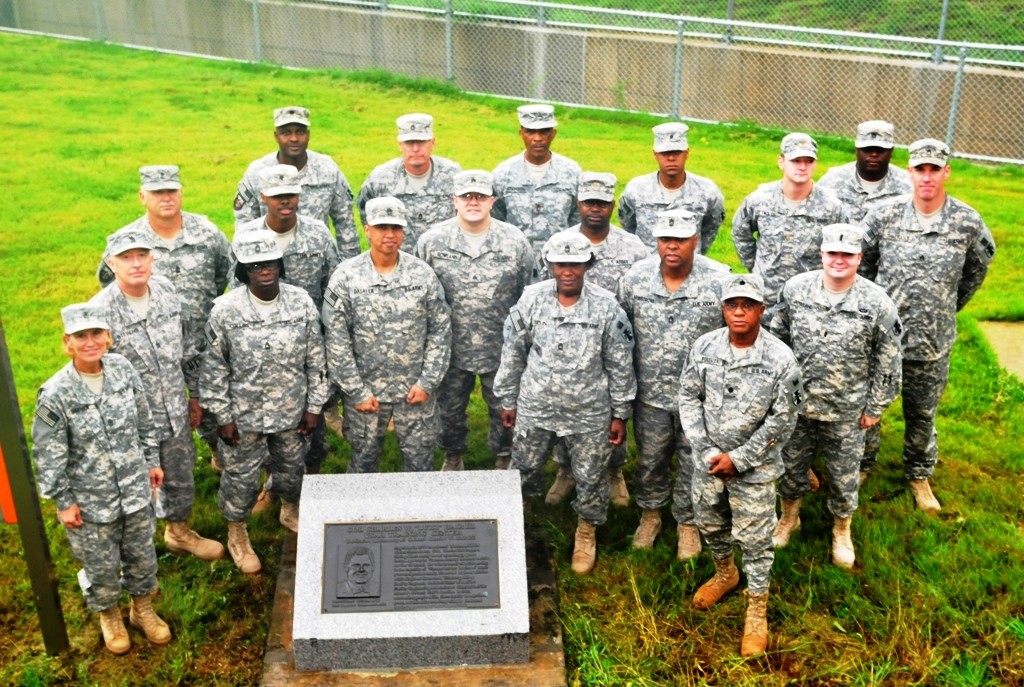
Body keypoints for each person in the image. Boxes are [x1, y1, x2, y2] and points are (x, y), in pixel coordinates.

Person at [859, 138, 995, 513]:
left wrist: (947, 308)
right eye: (920, 169)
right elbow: (862, 264)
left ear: (946, 172)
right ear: (909, 171)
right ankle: (863, 465)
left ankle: (919, 474)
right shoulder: (884, 216)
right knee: (871, 408)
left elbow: (976, 271)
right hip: (885, 339)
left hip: (932, 342)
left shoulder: (967, 222)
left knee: (922, 413)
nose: (927, 177)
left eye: (935, 169)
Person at [494, 232, 636, 575]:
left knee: (590, 477)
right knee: (523, 469)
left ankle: (586, 530)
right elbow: (512, 352)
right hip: (537, 405)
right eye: (561, 264)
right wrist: (507, 398)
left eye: (575, 264)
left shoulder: (606, 306)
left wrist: (620, 412)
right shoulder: (530, 300)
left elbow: (619, 362)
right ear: (550, 265)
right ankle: (520, 524)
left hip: (589, 411)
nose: (568, 271)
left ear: (587, 265)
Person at [32, 304, 171, 654]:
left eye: (97, 333)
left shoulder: (123, 370)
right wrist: (63, 501)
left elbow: (144, 418)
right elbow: (48, 454)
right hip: (91, 501)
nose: (90, 341)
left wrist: (152, 459)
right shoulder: (56, 394)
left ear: (107, 337)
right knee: (100, 564)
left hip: (135, 489)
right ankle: (109, 615)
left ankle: (142, 610)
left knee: (141, 555)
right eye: (81, 336)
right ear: (68, 343)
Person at [678, 274, 802, 657]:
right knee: (710, 522)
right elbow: (688, 395)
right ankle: (725, 574)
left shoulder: (781, 359)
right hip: (709, 461)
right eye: (732, 304)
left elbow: (784, 419)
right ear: (723, 308)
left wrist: (741, 459)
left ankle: (757, 607)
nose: (739, 312)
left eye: (748, 305)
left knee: (755, 540)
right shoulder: (704, 347)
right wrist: (706, 450)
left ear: (761, 310)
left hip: (755, 468)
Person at [770, 224, 903, 569]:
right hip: (797, 404)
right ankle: (789, 518)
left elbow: (888, 358)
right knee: (791, 467)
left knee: (845, 476)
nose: (839, 260)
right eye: (833, 253)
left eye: (847, 255)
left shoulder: (876, 301)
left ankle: (842, 529)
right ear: (822, 254)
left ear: (859, 257)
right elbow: (776, 340)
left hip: (848, 408)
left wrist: (875, 406)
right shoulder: (795, 290)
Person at [91, 227, 224, 562]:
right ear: (111, 263)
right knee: (133, 487)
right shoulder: (100, 312)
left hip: (174, 407)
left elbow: (189, 349)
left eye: (143, 255)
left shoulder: (167, 293)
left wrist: (194, 396)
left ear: (153, 258)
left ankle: (179, 532)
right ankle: (133, 551)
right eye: (126, 257)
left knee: (180, 474)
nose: (136, 264)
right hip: (131, 420)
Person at [201, 231, 329, 573]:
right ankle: (237, 532)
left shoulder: (300, 302)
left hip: (291, 412)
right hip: (244, 417)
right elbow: (214, 370)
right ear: (243, 271)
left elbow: (316, 359)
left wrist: (315, 406)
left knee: (291, 469)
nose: (265, 271)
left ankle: (290, 509)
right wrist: (223, 417)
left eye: (270, 263)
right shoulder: (225, 311)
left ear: (280, 265)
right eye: (255, 266)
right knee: (241, 479)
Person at [96, 165, 230, 467]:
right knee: (156, 410)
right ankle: (158, 464)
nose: (166, 197)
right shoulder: (126, 242)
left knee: (212, 403)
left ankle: (218, 452)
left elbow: (226, 274)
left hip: (204, 339)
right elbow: (112, 288)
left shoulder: (208, 234)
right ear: (143, 196)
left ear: (181, 192)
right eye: (158, 192)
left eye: (172, 190)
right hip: (149, 345)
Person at [617, 209, 728, 558]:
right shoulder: (635, 279)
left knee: (694, 460)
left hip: (700, 396)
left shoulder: (720, 280)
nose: (673, 246)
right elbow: (622, 334)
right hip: (650, 392)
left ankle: (687, 522)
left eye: (681, 239)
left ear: (696, 240)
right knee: (651, 459)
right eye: (666, 239)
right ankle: (650, 515)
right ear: (656, 241)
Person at [539, 172, 648, 507]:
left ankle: (615, 470)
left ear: (613, 205)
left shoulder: (632, 247)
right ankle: (565, 468)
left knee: (616, 406)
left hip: (615, 341)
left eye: (602, 203)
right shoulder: (559, 243)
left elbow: (641, 293)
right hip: (566, 343)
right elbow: (543, 291)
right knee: (564, 405)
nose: (595, 209)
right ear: (578, 204)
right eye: (589, 202)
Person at [323, 197, 452, 473]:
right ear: (367, 229)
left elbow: (440, 330)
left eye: (396, 227)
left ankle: (419, 515)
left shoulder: (423, 274)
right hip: (367, 393)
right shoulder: (345, 277)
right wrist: (356, 391)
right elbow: (336, 340)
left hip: (415, 392)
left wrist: (427, 382)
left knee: (420, 465)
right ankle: (359, 515)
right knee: (363, 464)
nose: (390, 235)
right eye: (382, 227)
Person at [415, 170, 533, 471]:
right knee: (449, 409)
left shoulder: (515, 241)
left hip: (501, 345)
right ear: (454, 200)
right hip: (451, 346)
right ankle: (453, 456)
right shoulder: (432, 241)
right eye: (466, 196)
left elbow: (526, 294)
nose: (473, 202)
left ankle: (504, 455)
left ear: (492, 201)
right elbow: (422, 293)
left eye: (480, 196)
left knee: (504, 406)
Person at [233, 164, 340, 480]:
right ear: (263, 196)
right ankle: (272, 483)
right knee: (270, 417)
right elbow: (237, 291)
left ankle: (312, 476)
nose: (285, 201)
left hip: (310, 341)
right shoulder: (248, 237)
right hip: (264, 343)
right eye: (278, 195)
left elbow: (333, 285)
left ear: (299, 195)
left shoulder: (318, 233)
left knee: (313, 416)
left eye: (291, 194)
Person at [731, 132, 849, 311]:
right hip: (766, 297)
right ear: (781, 162)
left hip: (810, 300)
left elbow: (844, 248)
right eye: (796, 161)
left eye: (809, 161)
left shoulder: (832, 207)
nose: (803, 167)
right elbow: (740, 233)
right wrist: (757, 266)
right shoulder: (759, 200)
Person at [234, 105, 360, 259]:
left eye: (300, 132)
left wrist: (349, 267)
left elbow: (345, 223)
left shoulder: (328, 170)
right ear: (276, 136)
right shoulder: (257, 172)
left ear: (308, 135)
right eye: (286, 133)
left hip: (316, 262)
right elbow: (244, 225)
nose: (294, 139)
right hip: (268, 265)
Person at [491, 104, 581, 270]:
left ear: (553, 134)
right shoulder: (504, 174)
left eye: (544, 131)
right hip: (514, 264)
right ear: (521, 134)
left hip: (560, 264)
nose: (537, 138)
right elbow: (496, 219)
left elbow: (577, 219)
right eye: (530, 131)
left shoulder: (571, 172)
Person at [357, 113, 462, 250]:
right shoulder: (381, 178)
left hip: (443, 258)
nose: (416, 149)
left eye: (421, 142)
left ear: (433, 143)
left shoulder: (453, 175)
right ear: (400, 145)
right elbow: (365, 209)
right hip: (398, 261)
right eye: (409, 143)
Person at [618, 122, 726, 254]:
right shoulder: (636, 189)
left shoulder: (707, 192)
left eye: (676, 152)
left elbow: (710, 229)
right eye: (665, 153)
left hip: (688, 268)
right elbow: (628, 226)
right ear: (655, 154)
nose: (671, 158)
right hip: (645, 269)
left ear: (687, 153)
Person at [818, 120, 912, 223]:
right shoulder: (831, 181)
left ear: (891, 151)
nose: (874, 155)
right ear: (856, 150)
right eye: (867, 149)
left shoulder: (909, 185)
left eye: (880, 150)